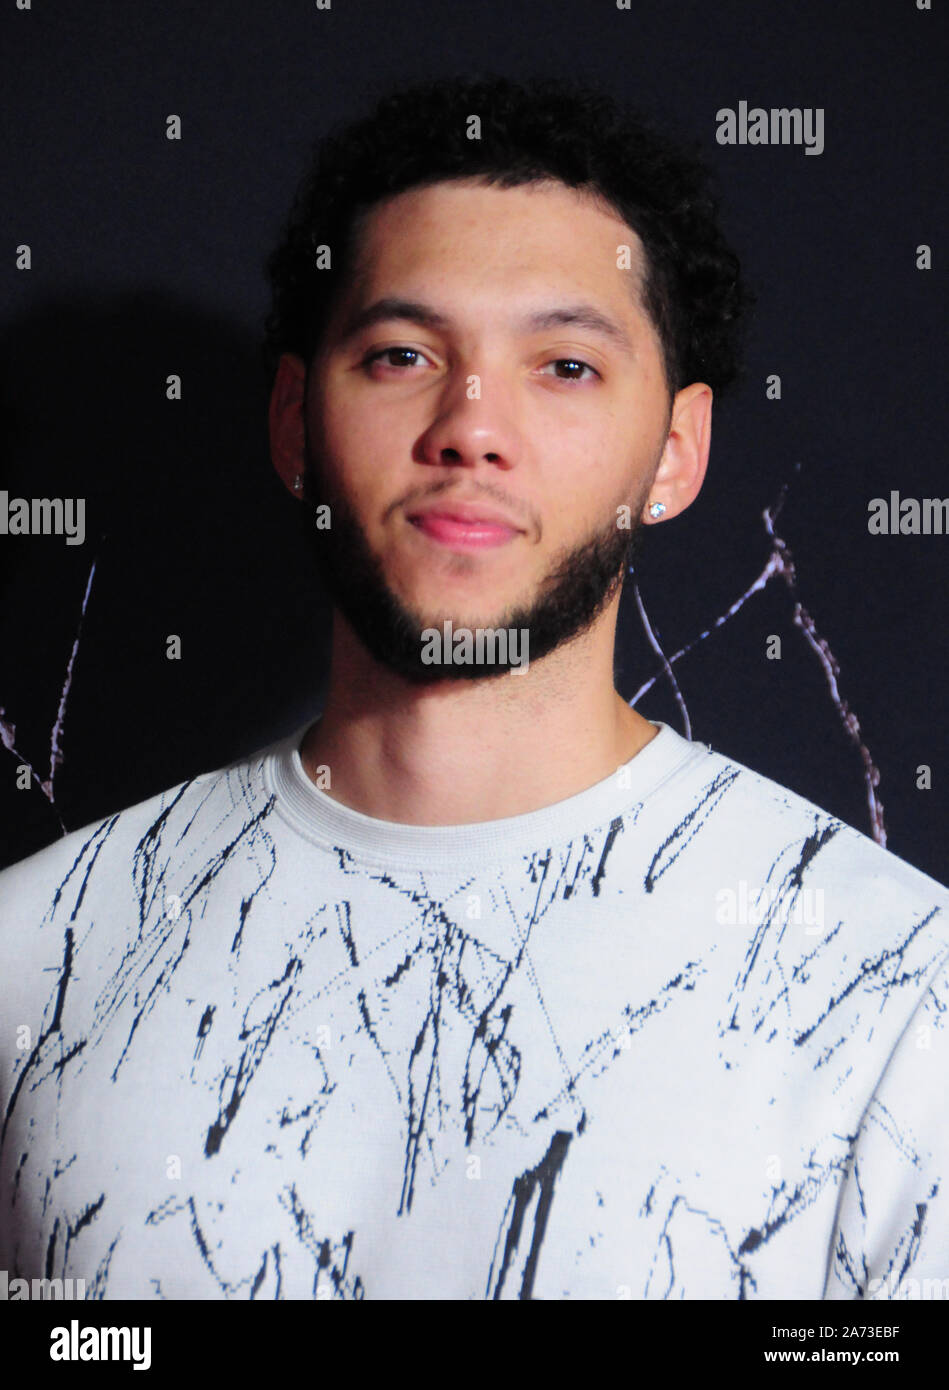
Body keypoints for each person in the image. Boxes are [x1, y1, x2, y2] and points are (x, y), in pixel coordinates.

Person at [1, 74, 946, 1302]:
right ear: (294, 422)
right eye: (401, 353)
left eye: (562, 365)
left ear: (675, 452)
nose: (471, 425)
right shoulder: (34, 953)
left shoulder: (893, 989)